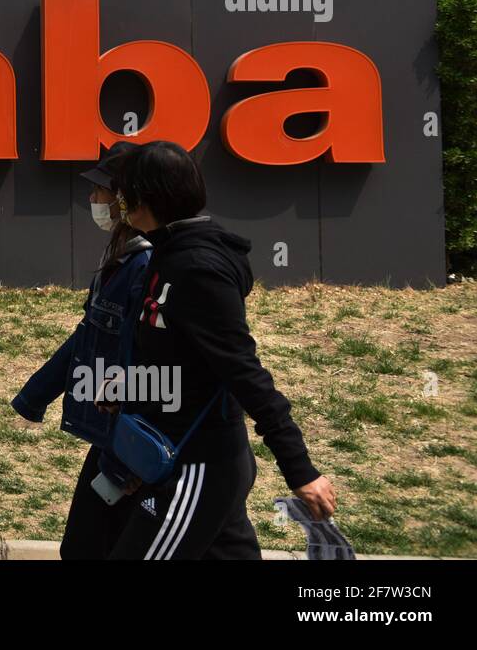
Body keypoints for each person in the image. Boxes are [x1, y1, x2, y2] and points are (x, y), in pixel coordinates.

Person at [102, 140, 336, 560]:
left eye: (125, 193)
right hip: (180, 452)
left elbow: (244, 372)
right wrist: (128, 386)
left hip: (198, 466)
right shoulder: (166, 252)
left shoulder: (197, 269)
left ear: (148, 198)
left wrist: (300, 470)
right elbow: (178, 358)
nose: (118, 203)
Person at [10, 142, 153, 559]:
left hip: (133, 443)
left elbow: (146, 363)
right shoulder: (123, 258)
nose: (91, 199)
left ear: (127, 200)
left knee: (89, 550)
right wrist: (35, 395)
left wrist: (127, 467)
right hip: (118, 438)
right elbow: (88, 336)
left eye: (101, 191)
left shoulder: (145, 266)